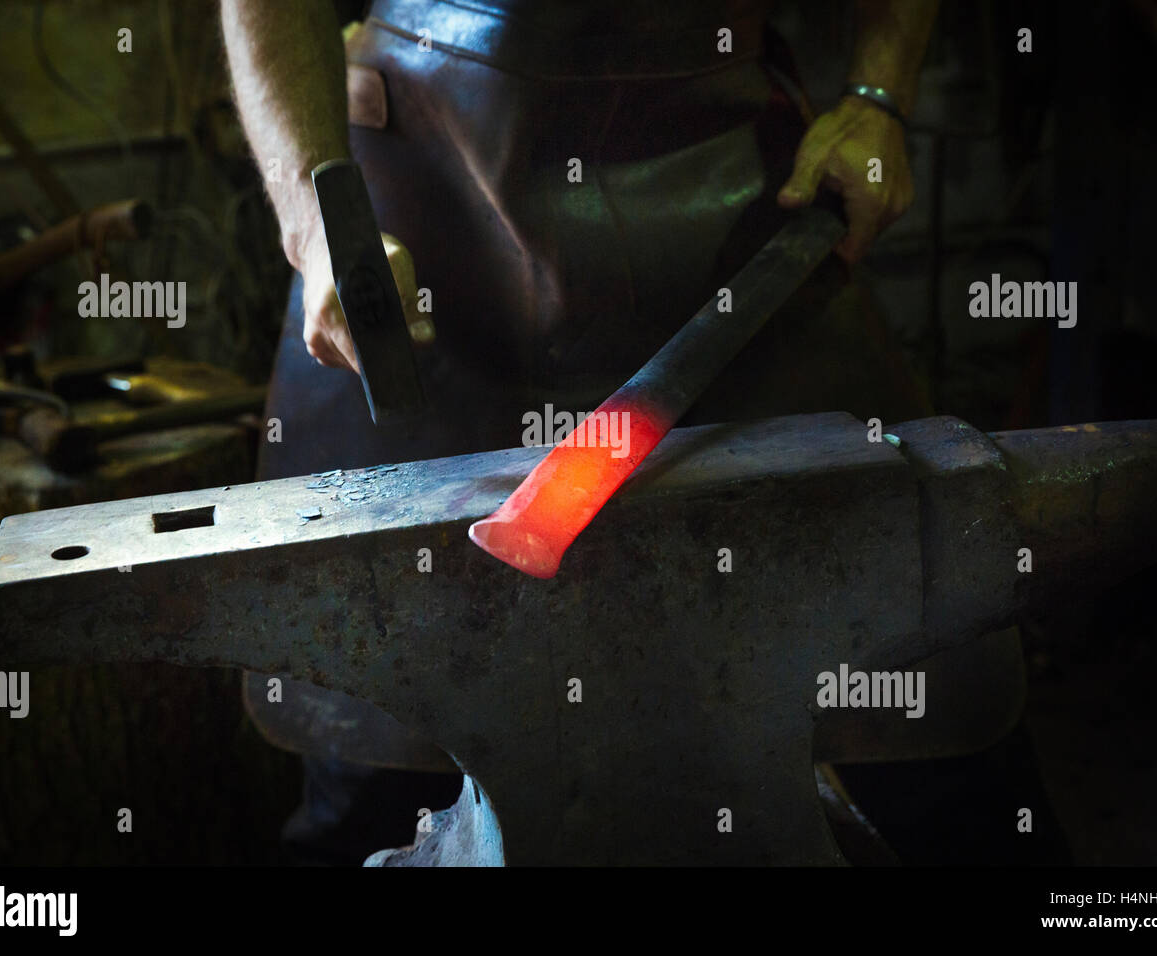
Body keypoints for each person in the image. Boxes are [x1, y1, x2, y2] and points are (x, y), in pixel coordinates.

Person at [221, 0, 938, 863]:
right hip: (421, 204)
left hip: (733, 195)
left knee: (910, 711)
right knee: (379, 755)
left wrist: (878, 96)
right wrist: (312, 220)